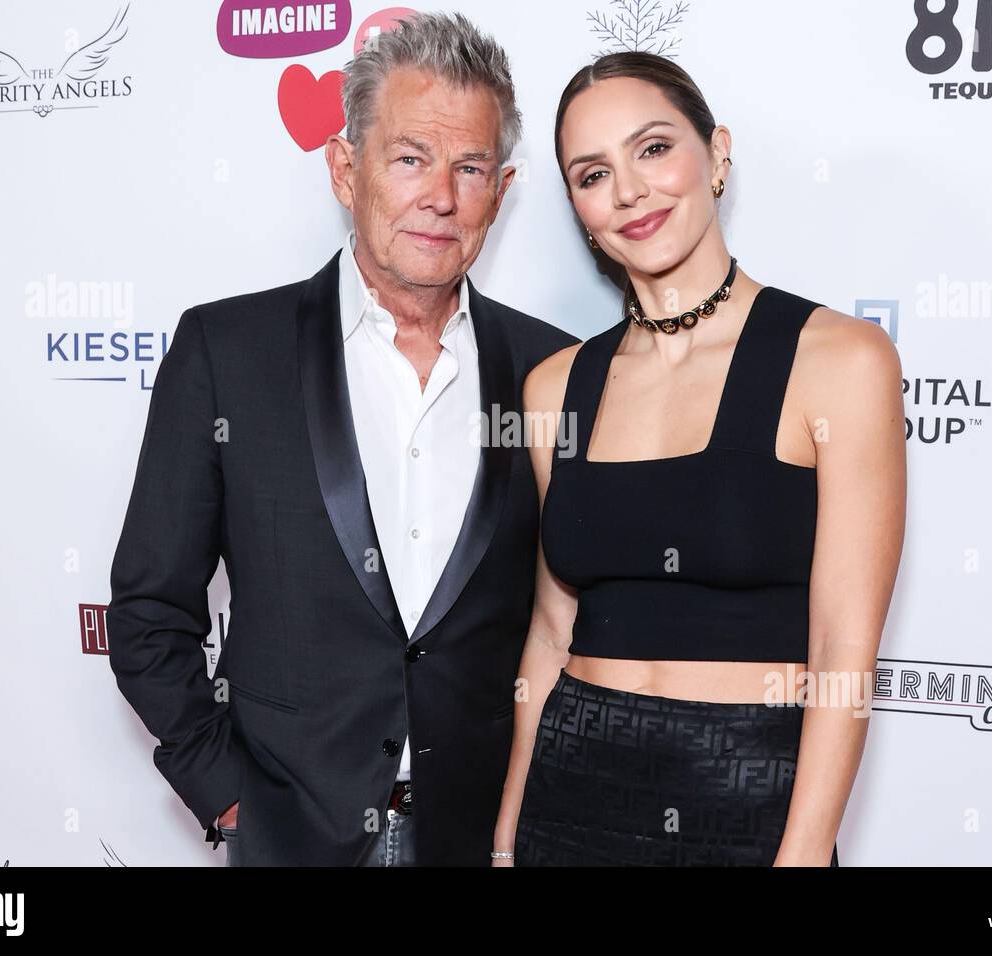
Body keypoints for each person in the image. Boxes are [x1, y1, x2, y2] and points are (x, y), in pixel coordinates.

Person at [106, 12, 577, 866]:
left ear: (500, 192)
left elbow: (568, 618)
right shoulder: (228, 353)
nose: (441, 196)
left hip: (483, 841)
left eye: (470, 167)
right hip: (292, 835)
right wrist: (232, 796)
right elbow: (147, 612)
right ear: (344, 169)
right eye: (409, 159)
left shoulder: (551, 369)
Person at [492, 52, 906, 866]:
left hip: (750, 801)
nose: (630, 192)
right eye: (592, 173)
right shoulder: (553, 389)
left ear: (717, 156)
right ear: (577, 207)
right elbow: (549, 633)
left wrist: (801, 855)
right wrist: (508, 838)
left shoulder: (840, 360)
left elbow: (843, 650)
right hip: (569, 799)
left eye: (653, 149)